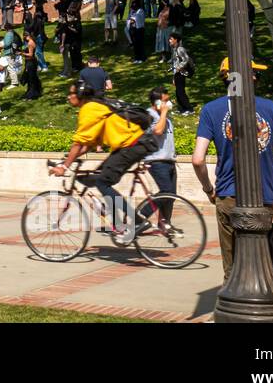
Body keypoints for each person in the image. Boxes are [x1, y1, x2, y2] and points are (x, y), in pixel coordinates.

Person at [191, 58, 273, 280]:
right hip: (264, 197)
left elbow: (198, 159)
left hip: (228, 196)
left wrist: (208, 189)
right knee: (260, 265)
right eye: (253, 73)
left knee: (232, 269)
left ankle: (231, 306)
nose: (256, 77)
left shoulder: (211, 110)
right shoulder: (271, 108)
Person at [50, 82, 158, 243]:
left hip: (132, 145)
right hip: (133, 144)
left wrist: (64, 167)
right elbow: (88, 145)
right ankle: (117, 224)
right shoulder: (96, 106)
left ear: (80, 96)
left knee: (103, 182)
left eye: (71, 93)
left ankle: (138, 221)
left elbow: (79, 142)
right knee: (97, 177)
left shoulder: (89, 108)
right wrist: (66, 160)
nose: (69, 96)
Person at [140, 87, 178, 232]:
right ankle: (140, 218)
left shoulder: (165, 118)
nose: (168, 104)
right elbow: (157, 131)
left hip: (168, 161)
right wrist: (163, 113)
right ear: (156, 103)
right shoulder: (149, 115)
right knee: (166, 191)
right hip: (156, 161)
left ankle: (164, 223)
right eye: (165, 101)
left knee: (171, 195)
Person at [168, 32, 194, 114]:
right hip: (177, 73)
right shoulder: (174, 49)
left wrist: (179, 68)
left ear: (176, 40)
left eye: (171, 39)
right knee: (177, 92)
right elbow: (175, 62)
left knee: (180, 91)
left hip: (181, 73)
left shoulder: (180, 49)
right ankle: (182, 108)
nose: (169, 40)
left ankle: (189, 109)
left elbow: (186, 59)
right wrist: (174, 76)